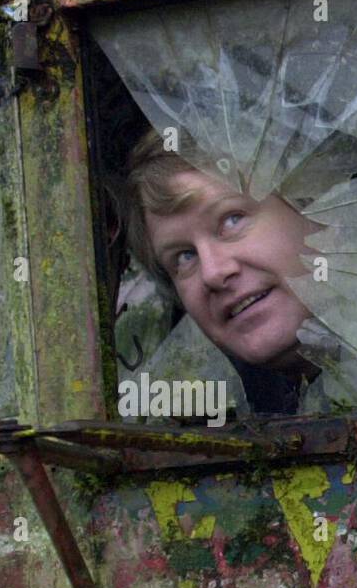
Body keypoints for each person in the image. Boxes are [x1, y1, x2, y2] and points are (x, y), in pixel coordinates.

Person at [121, 128, 327, 414]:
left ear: (317, 211)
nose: (213, 273)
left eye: (232, 220)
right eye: (184, 257)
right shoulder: (204, 433)